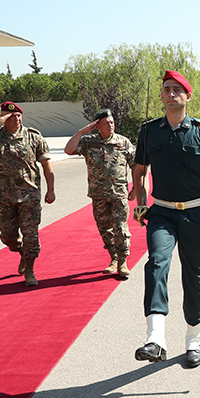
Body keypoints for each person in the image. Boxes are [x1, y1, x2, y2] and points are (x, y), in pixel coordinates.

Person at [132, 70, 200, 369]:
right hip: (160, 211)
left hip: (194, 213)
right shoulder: (149, 132)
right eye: (166, 89)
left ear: (187, 97)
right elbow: (138, 171)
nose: (170, 93)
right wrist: (140, 204)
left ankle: (193, 338)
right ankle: (156, 338)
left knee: (193, 275)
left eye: (177, 90)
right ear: (161, 96)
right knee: (157, 263)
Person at [0, 101, 55, 287]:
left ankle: (30, 269)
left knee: (30, 234)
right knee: (7, 235)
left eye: (19, 115)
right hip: (5, 196)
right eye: (11, 116)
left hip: (29, 195)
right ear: (3, 118)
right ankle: (22, 253)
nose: (16, 119)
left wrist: (51, 189)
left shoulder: (33, 136)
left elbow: (46, 164)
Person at [64, 109, 136, 278]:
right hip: (98, 194)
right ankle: (114, 258)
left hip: (119, 193)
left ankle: (123, 261)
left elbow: (136, 165)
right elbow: (68, 150)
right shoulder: (89, 142)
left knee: (120, 227)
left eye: (112, 122)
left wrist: (135, 188)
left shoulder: (123, 142)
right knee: (105, 228)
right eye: (106, 123)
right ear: (97, 126)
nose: (111, 125)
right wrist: (81, 132)